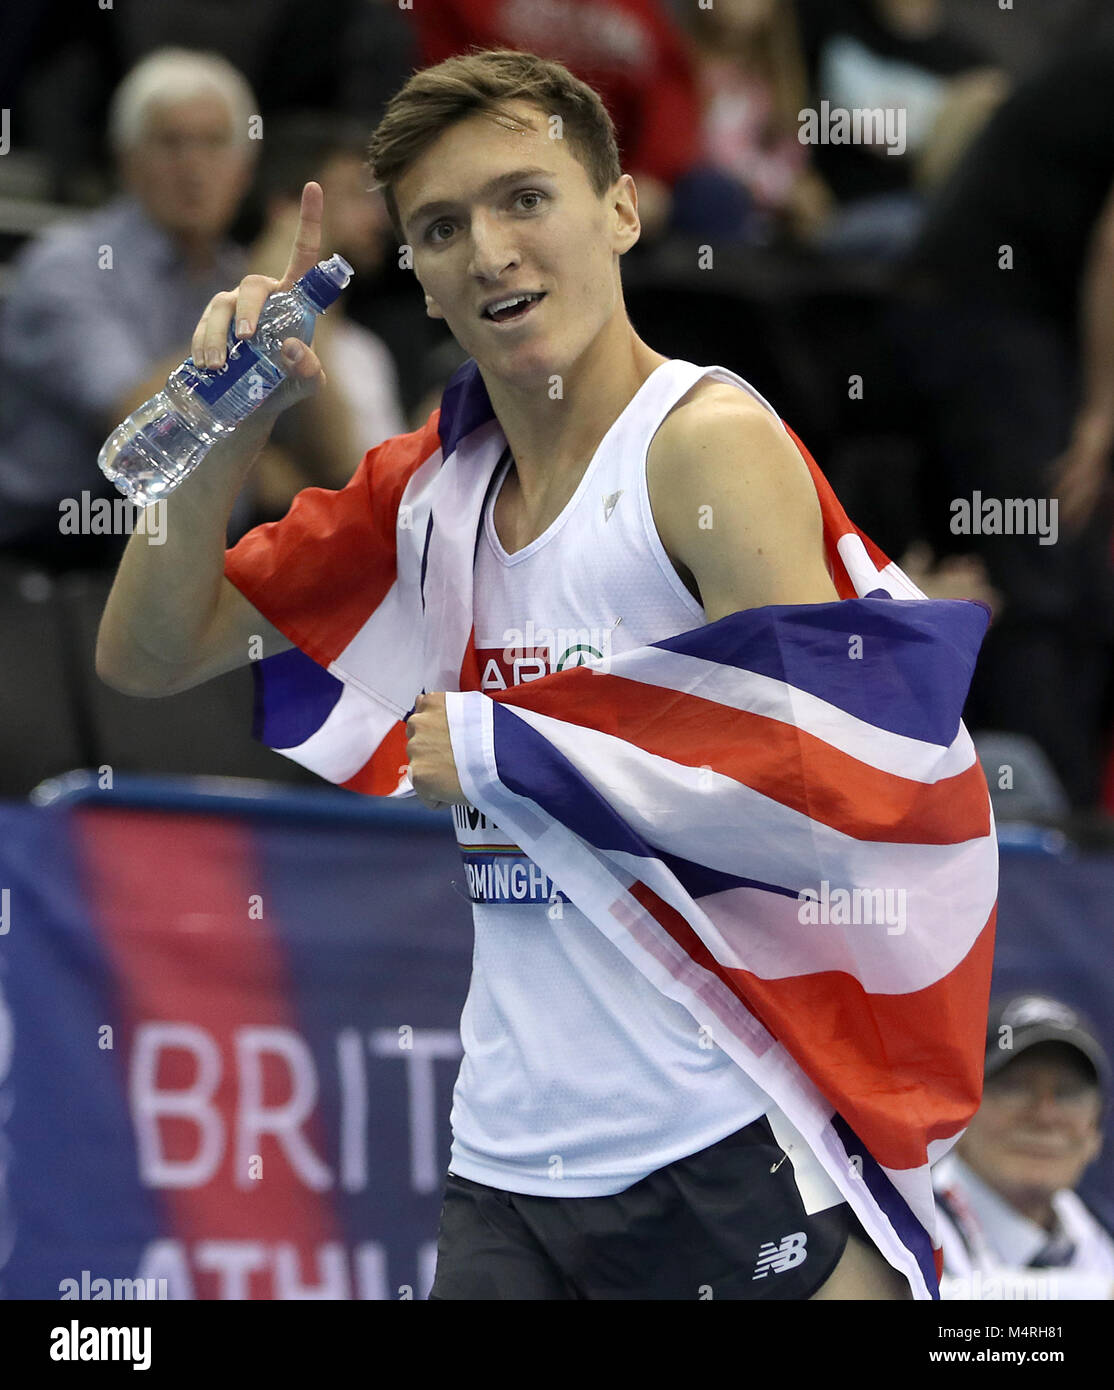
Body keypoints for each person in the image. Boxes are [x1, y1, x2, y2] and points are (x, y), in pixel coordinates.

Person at [95, 49, 993, 1300]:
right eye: (443, 227)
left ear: (620, 210)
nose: (491, 249)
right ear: (419, 276)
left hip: (734, 1126)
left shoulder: (703, 451)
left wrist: (516, 749)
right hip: (511, 1161)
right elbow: (144, 654)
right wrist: (226, 412)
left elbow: (815, 796)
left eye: (527, 198)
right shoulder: (432, 493)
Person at [0, 47, 260, 566]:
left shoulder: (235, 273)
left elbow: (329, 457)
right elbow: (143, 425)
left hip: (201, 565)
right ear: (126, 159)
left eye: (214, 143)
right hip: (55, 565)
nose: (193, 167)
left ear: (245, 167)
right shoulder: (67, 266)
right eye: (170, 143)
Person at [934, 993, 1114, 1299]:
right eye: (1015, 1086)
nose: (1045, 1115)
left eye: (1068, 1092)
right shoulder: (895, 1232)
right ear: (958, 1114)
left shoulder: (1101, 1231)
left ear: (1095, 1132)